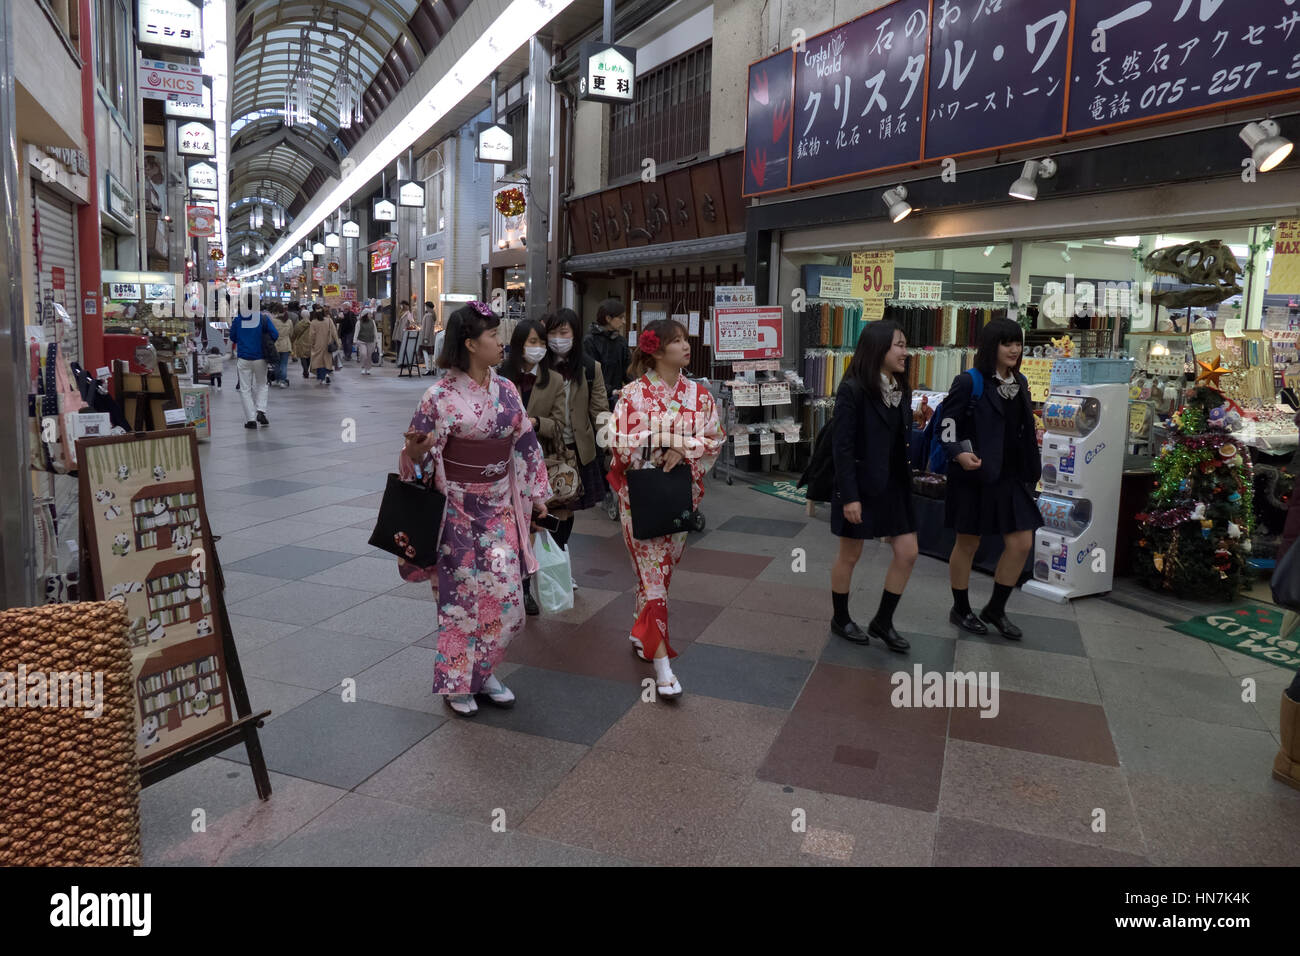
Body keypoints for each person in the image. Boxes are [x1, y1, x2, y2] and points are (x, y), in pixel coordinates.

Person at [399, 302, 551, 717]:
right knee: (462, 602)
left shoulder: (506, 390)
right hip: (456, 514)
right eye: (493, 337)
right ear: (469, 344)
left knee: (508, 604)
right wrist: (416, 451)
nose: (502, 343)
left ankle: (481, 672)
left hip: (500, 507)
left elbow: (524, 443)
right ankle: (457, 683)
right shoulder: (439, 397)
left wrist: (537, 495)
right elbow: (416, 457)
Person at [608, 318, 724, 699]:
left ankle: (640, 632)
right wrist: (664, 439)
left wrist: (684, 448)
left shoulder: (700, 395)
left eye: (686, 340)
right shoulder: (633, 394)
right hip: (640, 497)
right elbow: (620, 444)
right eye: (676, 342)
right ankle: (663, 668)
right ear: (655, 351)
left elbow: (714, 439)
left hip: (678, 495)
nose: (685, 346)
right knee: (654, 576)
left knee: (658, 574)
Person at [943, 317, 1043, 640]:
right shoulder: (969, 382)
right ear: (992, 347)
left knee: (1022, 542)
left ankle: (995, 608)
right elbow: (947, 426)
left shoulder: (1021, 382)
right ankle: (960, 608)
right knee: (968, 543)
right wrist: (959, 452)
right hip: (974, 475)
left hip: (1011, 476)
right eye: (1007, 343)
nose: (1015, 349)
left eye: (1018, 343)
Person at [827, 321, 916, 653]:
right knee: (851, 554)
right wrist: (850, 496)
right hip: (860, 486)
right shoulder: (853, 389)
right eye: (899, 345)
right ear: (878, 348)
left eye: (905, 345)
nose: (905, 352)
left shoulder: (901, 388)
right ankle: (840, 618)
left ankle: (883, 621)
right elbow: (843, 448)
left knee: (908, 553)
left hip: (895, 486)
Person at [502, 318, 562, 616]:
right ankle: (507, 584)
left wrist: (536, 423)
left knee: (531, 524)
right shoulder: (500, 377)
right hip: (501, 465)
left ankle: (525, 589)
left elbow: (561, 424)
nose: (536, 348)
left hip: (535, 463)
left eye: (540, 342)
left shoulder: (555, 380)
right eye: (530, 342)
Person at [536, 308, 610, 550]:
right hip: (544, 445)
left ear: (575, 334)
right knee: (548, 506)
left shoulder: (590, 368)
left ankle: (560, 558)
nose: (558, 337)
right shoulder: (537, 366)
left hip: (576, 449)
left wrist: (609, 443)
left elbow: (599, 409)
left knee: (567, 507)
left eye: (564, 332)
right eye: (553, 332)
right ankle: (547, 560)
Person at [230, 301, 277, 429]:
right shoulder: (263, 319)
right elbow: (275, 334)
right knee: (262, 384)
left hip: (244, 358)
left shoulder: (238, 320)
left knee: (245, 389)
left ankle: (250, 420)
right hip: (260, 358)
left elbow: (232, 337)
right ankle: (261, 410)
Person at [583, 298, 632, 395]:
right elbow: (591, 374)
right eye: (621, 317)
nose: (624, 322)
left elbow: (628, 371)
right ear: (608, 318)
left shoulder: (621, 341)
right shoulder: (590, 341)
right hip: (596, 397)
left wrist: (636, 386)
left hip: (617, 397)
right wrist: (611, 391)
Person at [308, 307, 340, 385]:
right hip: (327, 344)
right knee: (327, 361)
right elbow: (334, 332)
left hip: (317, 345)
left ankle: (322, 378)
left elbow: (311, 335)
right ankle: (327, 374)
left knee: (319, 362)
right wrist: (337, 342)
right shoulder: (329, 321)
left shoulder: (313, 322)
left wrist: (311, 344)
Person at [270, 304, 294, 388]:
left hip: (276, 344)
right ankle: (282, 381)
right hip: (286, 344)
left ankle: (276, 380)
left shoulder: (273, 321)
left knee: (276, 364)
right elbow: (291, 333)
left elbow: (271, 333)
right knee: (283, 364)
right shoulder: (289, 321)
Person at [292, 306, 313, 378]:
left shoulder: (299, 324)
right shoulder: (311, 324)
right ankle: (306, 369)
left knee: (302, 357)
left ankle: (305, 370)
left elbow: (294, 333)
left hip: (301, 343)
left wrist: (292, 341)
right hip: (309, 342)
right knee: (309, 357)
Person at [356, 308, 379, 375]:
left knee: (369, 355)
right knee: (364, 354)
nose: (371, 315)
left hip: (371, 341)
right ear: (365, 314)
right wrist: (354, 340)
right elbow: (356, 332)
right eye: (369, 314)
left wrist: (376, 340)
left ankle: (368, 368)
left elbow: (375, 331)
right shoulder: (359, 322)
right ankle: (363, 367)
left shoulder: (373, 322)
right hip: (361, 340)